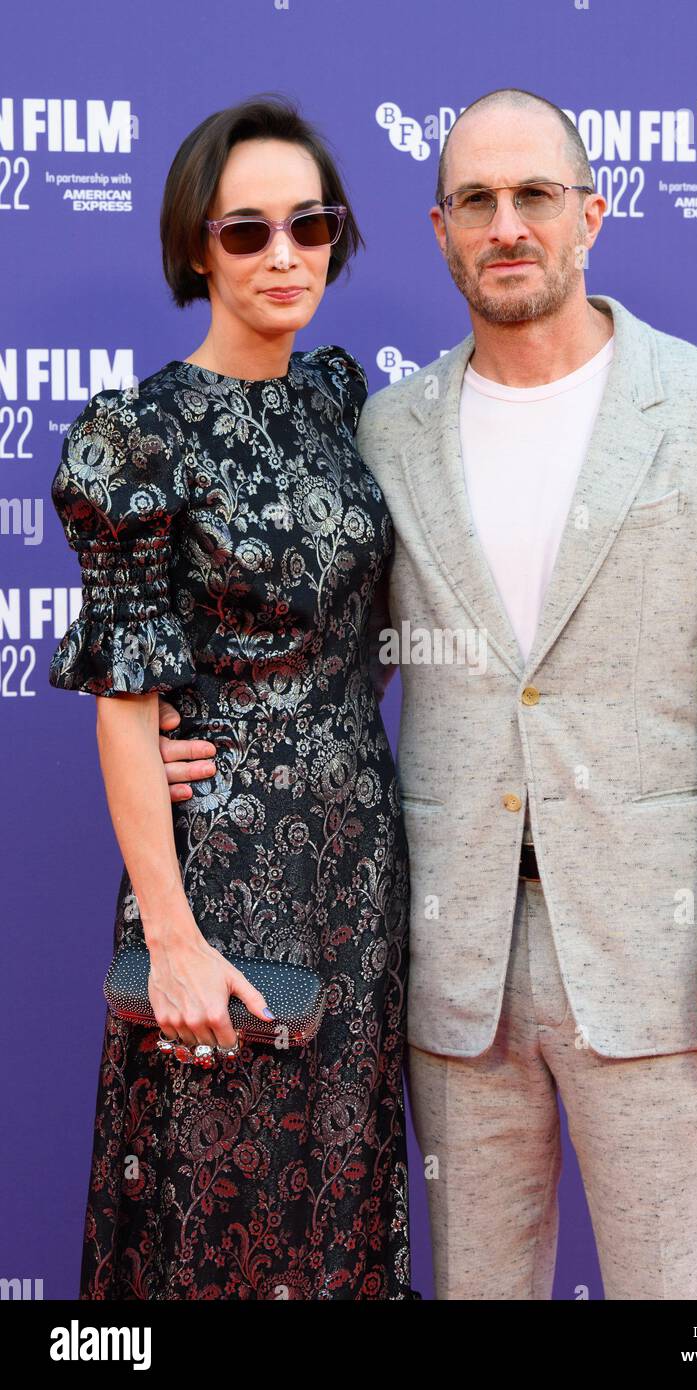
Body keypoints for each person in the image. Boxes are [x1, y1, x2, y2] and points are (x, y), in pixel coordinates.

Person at [157, 87, 697, 1300]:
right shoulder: (389, 429)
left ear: (589, 215)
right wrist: (179, 723)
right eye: (475, 201)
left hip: (658, 956)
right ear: (440, 226)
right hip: (449, 955)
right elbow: (297, 611)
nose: (505, 224)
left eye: (533, 197)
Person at [48, 94, 417, 1300]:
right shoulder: (135, 438)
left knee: (332, 1188)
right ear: (193, 248)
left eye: (308, 226)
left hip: (356, 868)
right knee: (220, 1191)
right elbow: (123, 697)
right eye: (244, 231)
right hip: (222, 863)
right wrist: (169, 939)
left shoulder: (334, 398)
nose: (283, 256)